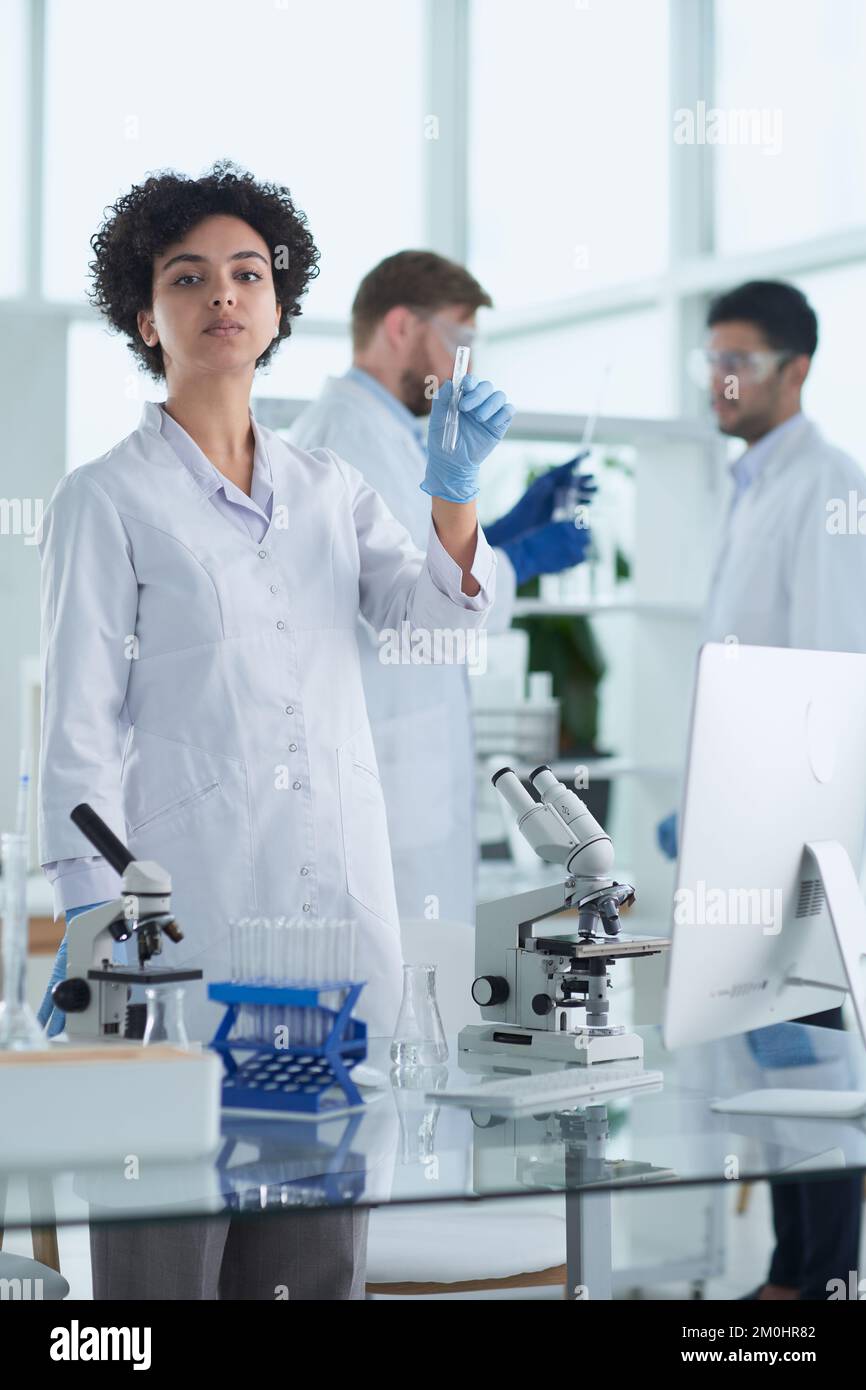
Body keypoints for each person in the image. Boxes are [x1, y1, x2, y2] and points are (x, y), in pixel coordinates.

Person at [36, 161, 513, 1299]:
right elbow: (76, 732)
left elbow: (435, 625)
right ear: (143, 317)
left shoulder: (332, 487)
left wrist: (452, 493)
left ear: (279, 304)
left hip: (328, 953)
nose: (223, 296)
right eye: (187, 277)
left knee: (311, 1272)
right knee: (161, 1280)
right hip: (179, 945)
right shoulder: (107, 499)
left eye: (248, 273)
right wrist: (98, 917)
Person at [660, 280, 866, 1301]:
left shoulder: (826, 484)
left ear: (796, 369)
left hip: (799, 847)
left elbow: (825, 677)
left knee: (815, 1075)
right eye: (710, 359)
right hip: (749, 837)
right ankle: (792, 1273)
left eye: (736, 358)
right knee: (774, 1079)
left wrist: (778, 837)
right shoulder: (751, 487)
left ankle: (817, 1281)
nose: (719, 377)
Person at [288, 250, 591, 930]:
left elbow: (424, 565)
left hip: (409, 760)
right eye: (459, 341)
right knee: (406, 988)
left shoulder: (384, 432)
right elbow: (417, 610)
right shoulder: (348, 436)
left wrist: (507, 531)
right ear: (401, 326)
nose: (468, 365)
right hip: (387, 772)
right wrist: (526, 555)